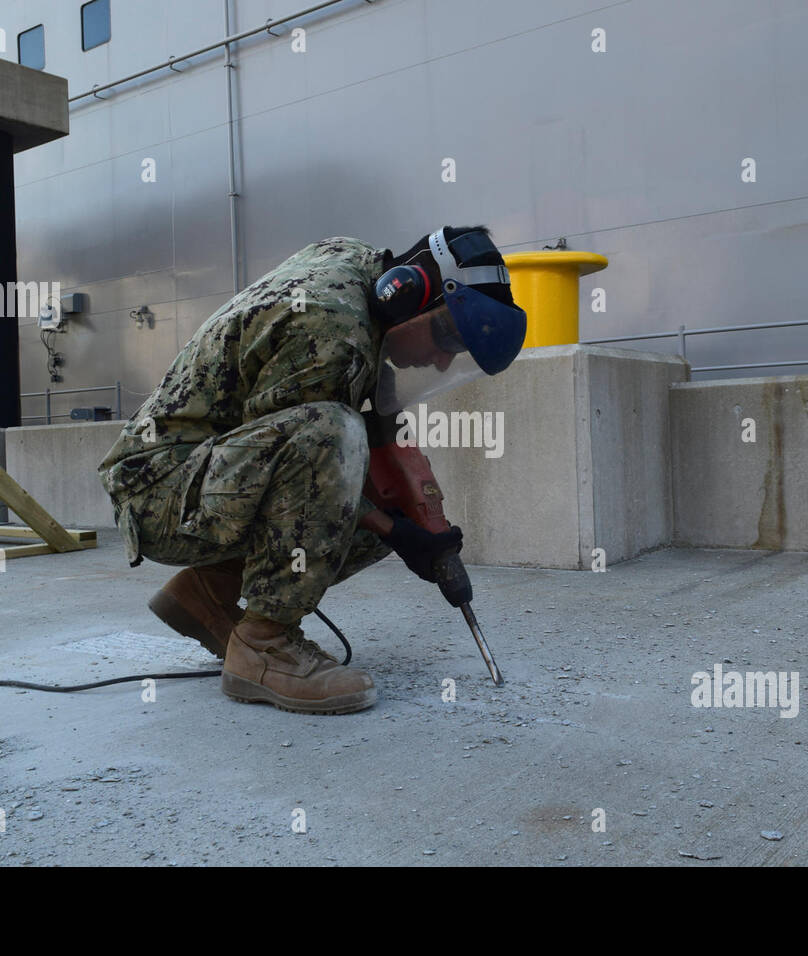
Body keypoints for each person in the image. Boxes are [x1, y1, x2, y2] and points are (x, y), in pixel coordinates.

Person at [97, 226, 526, 714]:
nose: (442, 359)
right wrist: (398, 532)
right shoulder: (332, 324)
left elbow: (349, 430)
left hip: (203, 473)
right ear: (404, 292)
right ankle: (264, 645)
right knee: (334, 433)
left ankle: (207, 595)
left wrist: (414, 512)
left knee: (379, 493)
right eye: (446, 334)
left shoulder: (358, 269)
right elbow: (315, 452)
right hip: (159, 491)